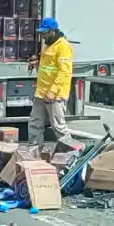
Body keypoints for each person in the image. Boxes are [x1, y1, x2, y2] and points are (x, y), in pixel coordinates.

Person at [28, 17, 77, 150]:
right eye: (41, 33)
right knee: (35, 123)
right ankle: (33, 151)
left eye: (44, 33)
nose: (42, 36)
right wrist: (37, 63)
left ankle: (71, 152)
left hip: (55, 94)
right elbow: (48, 66)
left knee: (58, 126)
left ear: (52, 31)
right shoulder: (48, 44)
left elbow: (64, 72)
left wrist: (52, 91)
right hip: (41, 92)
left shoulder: (63, 46)